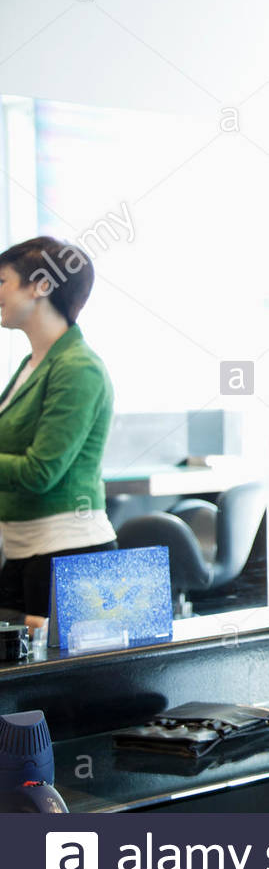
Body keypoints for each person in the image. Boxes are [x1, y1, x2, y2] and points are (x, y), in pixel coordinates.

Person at [0, 237, 116, 634]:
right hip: (23, 552)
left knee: (61, 694)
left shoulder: (78, 367)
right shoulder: (32, 365)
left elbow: (40, 470)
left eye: (3, 281)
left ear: (41, 286)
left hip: (67, 556)